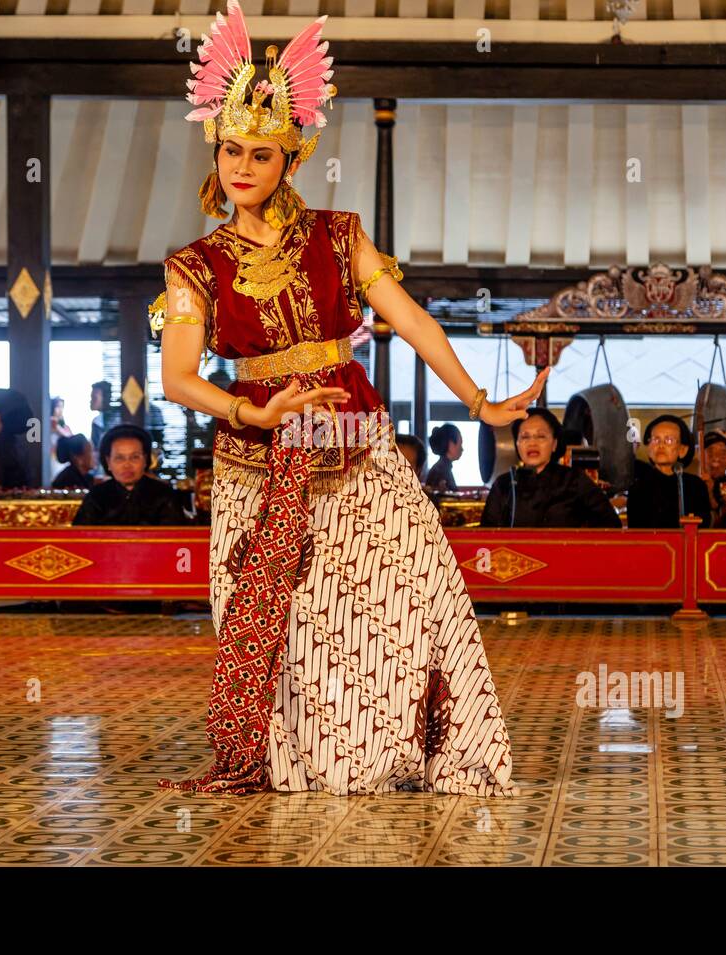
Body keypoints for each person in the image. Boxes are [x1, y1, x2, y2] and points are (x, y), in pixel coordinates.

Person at [152, 0, 540, 796]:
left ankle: (401, 747)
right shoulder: (195, 264)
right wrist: (251, 412)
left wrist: (476, 400)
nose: (242, 168)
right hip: (256, 455)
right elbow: (178, 377)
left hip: (357, 438)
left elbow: (414, 320)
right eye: (231, 150)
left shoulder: (338, 235)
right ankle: (309, 760)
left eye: (262, 153)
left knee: (409, 594)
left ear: (292, 160)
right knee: (289, 623)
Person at [480, 408, 620, 528]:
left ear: (554, 444)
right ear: (517, 444)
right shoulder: (504, 484)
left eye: (541, 436)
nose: (532, 443)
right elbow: (486, 534)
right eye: (525, 437)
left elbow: (611, 524)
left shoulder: (575, 480)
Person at [72, 426, 187, 525]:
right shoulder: (96, 496)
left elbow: (176, 539)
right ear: (108, 462)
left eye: (135, 457)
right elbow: (80, 538)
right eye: (119, 458)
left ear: (146, 460)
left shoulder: (165, 494)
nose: (127, 465)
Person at [626, 415, 712, 528]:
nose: (661, 445)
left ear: (682, 450)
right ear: (649, 449)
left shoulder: (696, 486)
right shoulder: (638, 488)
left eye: (669, 440)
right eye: (656, 440)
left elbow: (703, 525)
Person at [424, 423, 462, 493]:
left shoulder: (442, 467)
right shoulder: (441, 470)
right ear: (451, 445)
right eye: (460, 444)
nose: (462, 449)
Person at [89, 381, 112, 449]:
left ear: (105, 398)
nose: (91, 401)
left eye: (94, 397)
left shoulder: (97, 422)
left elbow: (97, 449)